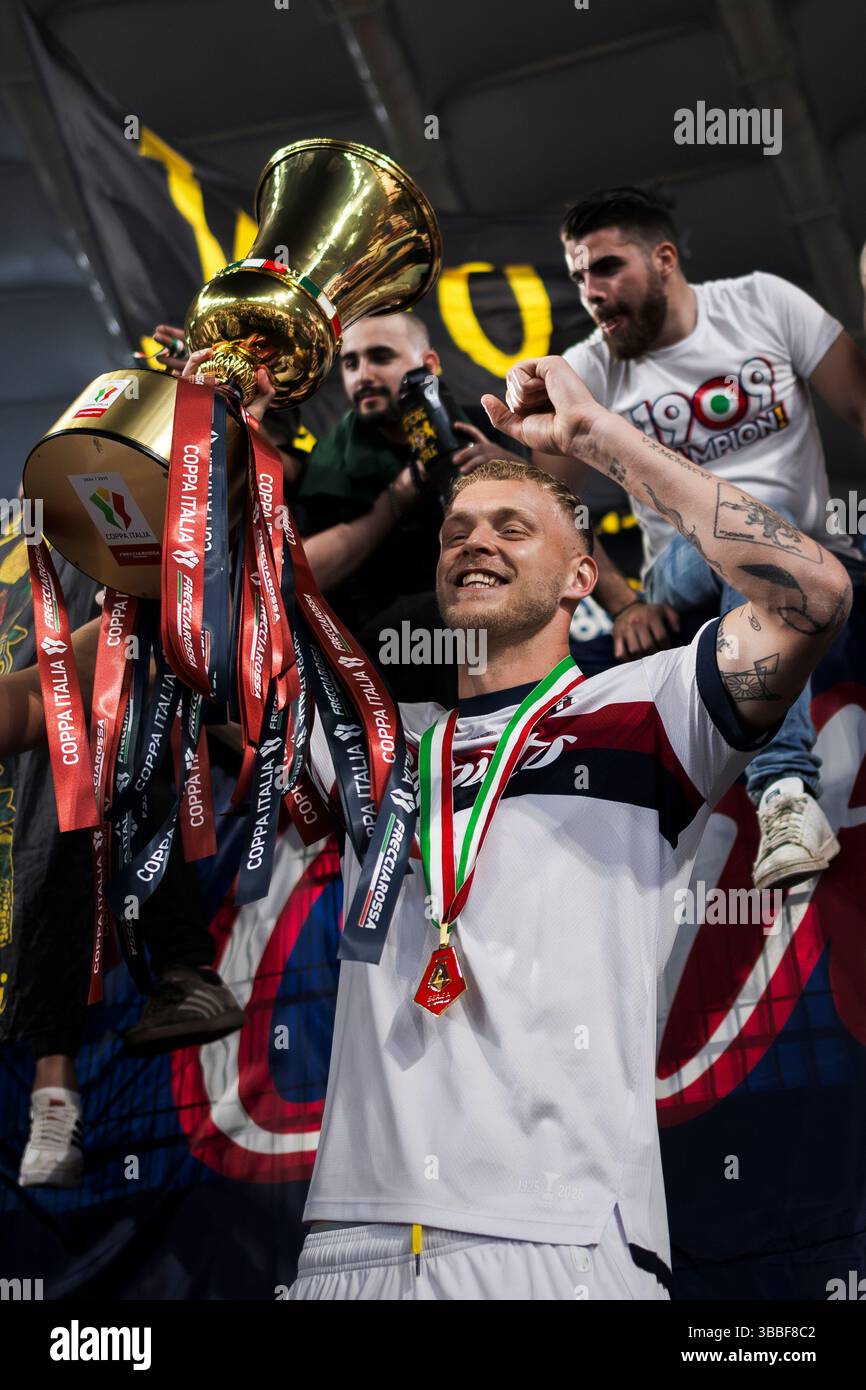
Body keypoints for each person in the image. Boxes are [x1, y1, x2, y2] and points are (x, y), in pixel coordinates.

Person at [279, 356, 849, 1301]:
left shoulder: (649, 708)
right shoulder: (377, 747)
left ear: (585, 573)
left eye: (513, 526)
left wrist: (604, 443)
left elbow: (811, 597)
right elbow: (200, 646)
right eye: (457, 530)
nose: (476, 542)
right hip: (347, 1245)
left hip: (560, 1240)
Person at [537, 187, 866, 890]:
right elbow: (551, 506)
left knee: (770, 539)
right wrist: (625, 604)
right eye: (578, 278)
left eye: (607, 268)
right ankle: (783, 790)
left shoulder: (762, 303)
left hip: (816, 552)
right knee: (735, 535)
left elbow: (859, 403)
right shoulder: (588, 369)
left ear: (664, 258)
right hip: (685, 568)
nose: (591, 293)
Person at [0, 549, 242, 1189]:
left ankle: (179, 971)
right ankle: (58, 1089)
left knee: (98, 752)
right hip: (42, 720)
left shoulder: (95, 516)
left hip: (116, 706)